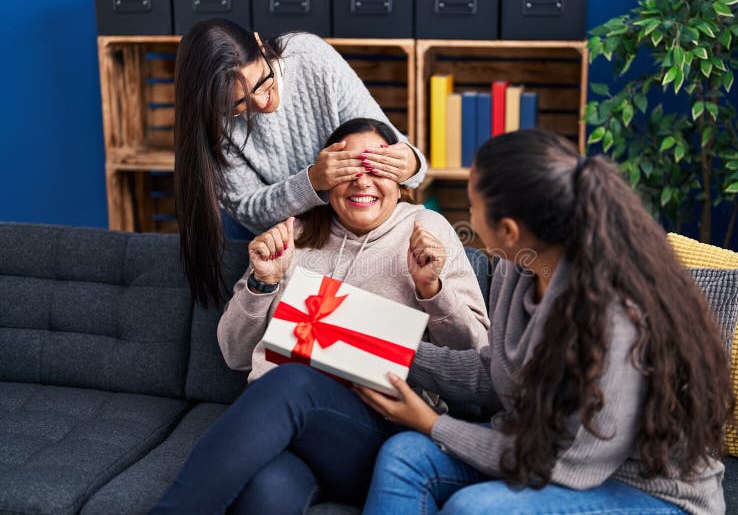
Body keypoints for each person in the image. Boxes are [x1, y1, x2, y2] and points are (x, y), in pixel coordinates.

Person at [356, 128, 735, 515]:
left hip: (646, 490)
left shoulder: (615, 313)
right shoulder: (516, 268)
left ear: (509, 229)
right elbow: (493, 375)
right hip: (540, 447)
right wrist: (389, 348)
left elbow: (571, 463)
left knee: (475, 509)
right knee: (404, 455)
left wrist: (433, 423)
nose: (467, 216)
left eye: (472, 205)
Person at [151, 118, 488, 514]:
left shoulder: (425, 228)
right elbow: (234, 354)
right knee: (266, 492)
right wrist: (263, 284)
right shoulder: (296, 231)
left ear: (400, 180)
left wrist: (432, 292)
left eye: (377, 169)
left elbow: (477, 360)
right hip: (288, 428)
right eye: (348, 169)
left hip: (377, 428)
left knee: (294, 381)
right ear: (326, 179)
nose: (362, 182)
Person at [174, 19, 427, 306]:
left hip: (337, 222)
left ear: (259, 44)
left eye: (263, 82)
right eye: (239, 104)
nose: (261, 101)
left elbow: (395, 148)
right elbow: (248, 208)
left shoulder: (310, 58)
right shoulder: (211, 122)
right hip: (268, 233)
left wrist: (411, 163)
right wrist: (312, 182)